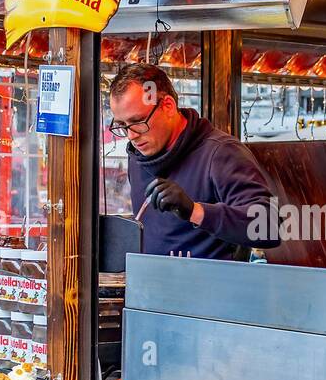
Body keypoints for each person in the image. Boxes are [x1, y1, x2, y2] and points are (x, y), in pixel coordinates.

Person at [108, 62, 280, 260]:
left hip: (212, 288)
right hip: (151, 287)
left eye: (138, 122)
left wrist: (194, 211)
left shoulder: (219, 153)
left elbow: (270, 226)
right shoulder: (137, 158)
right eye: (122, 125)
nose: (131, 135)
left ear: (168, 106)